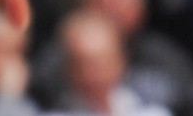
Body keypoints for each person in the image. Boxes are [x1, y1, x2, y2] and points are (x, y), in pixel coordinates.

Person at [29, 0, 193, 116]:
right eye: (106, 1)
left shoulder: (165, 57)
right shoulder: (57, 57)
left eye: (123, 2)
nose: (115, 12)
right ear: (84, 6)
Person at [44, 10, 173, 116]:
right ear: (67, 68)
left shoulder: (153, 112)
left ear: (120, 61)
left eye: (99, 64)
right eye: (80, 64)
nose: (90, 75)